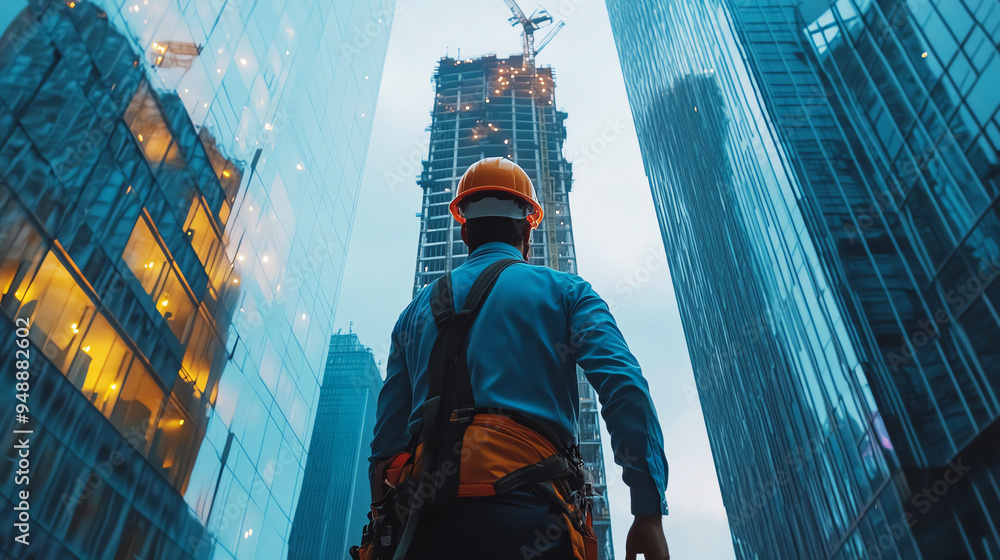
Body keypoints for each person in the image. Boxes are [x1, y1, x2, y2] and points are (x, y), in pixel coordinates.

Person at [369, 157, 670, 560]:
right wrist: (647, 511)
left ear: (464, 230)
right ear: (527, 228)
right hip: (535, 519)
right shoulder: (567, 293)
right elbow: (625, 388)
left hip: (426, 528)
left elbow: (385, 452)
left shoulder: (413, 315)